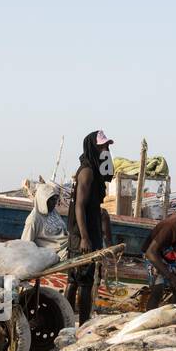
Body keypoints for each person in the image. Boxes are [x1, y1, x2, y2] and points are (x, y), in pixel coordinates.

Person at [65, 130, 115, 323]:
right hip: (81, 232)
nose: (106, 150)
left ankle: (70, 322)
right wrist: (85, 237)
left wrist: (106, 154)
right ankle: (77, 323)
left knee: (79, 279)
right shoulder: (86, 171)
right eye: (102, 146)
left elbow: (108, 172)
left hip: (90, 226)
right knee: (81, 280)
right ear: (92, 147)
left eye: (108, 146)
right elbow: (79, 205)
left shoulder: (96, 168)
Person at [20, 182, 68, 257]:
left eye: (55, 199)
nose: (55, 203)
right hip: (56, 254)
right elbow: (25, 245)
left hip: (67, 245)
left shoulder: (53, 212)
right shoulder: (33, 219)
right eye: (52, 200)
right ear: (43, 199)